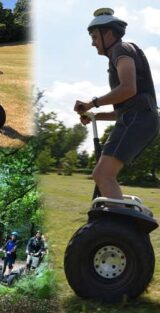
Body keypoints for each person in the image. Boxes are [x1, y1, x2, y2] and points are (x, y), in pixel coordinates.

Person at [74, 8, 159, 205]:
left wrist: (91, 103)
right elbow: (124, 108)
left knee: (104, 175)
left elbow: (128, 88)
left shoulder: (122, 50)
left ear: (108, 34)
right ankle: (117, 224)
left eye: (95, 36)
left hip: (139, 119)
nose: (92, 42)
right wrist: (94, 115)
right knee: (100, 175)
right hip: (134, 118)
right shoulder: (118, 55)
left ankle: (119, 230)